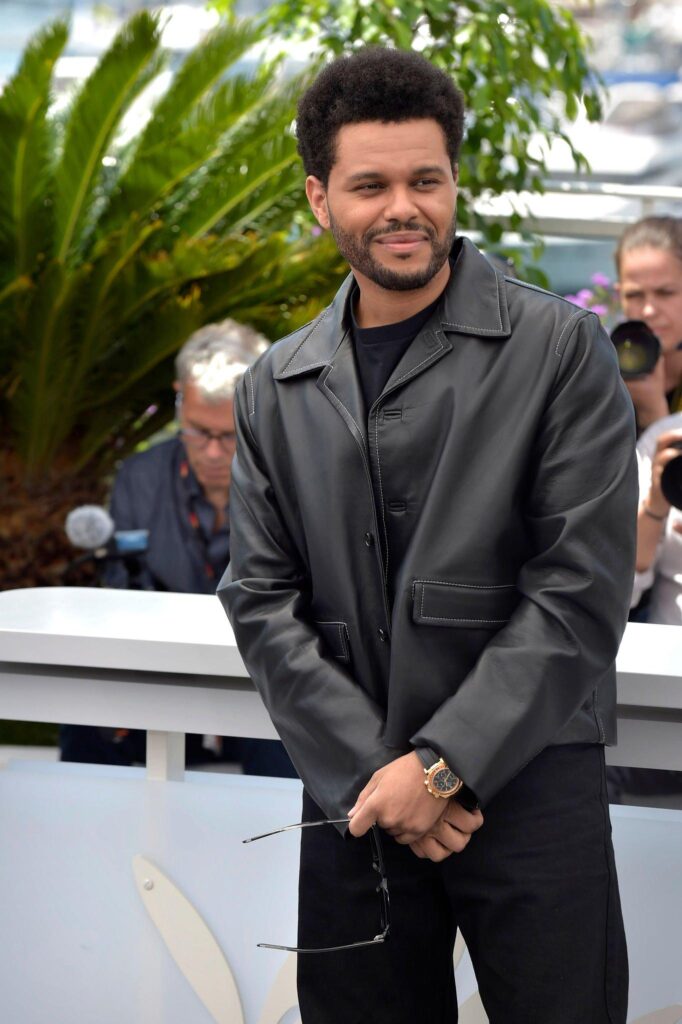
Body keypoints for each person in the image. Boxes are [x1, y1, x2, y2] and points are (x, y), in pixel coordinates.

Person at [219, 48, 637, 1023]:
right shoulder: (272, 389)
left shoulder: (559, 350)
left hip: (532, 786)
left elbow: (578, 588)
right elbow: (260, 601)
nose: (402, 206)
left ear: (455, 182)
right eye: (370, 184)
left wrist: (440, 764)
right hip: (353, 793)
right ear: (320, 197)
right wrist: (380, 772)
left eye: (425, 179)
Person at [61, 319, 296, 778]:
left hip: (265, 674)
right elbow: (123, 592)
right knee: (86, 723)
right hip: (162, 670)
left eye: (228, 435)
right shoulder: (139, 477)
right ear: (177, 398)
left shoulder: (299, 479)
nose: (211, 453)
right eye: (195, 431)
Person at [616, 216, 682, 433]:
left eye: (665, 293)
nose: (648, 310)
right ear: (619, 296)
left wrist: (654, 415)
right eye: (634, 295)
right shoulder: (600, 369)